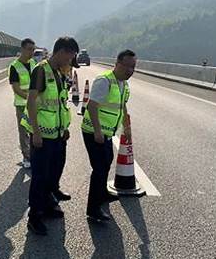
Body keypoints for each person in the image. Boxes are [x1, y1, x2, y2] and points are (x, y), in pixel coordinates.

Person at [20, 37, 79, 235]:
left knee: (55, 169)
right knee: (39, 176)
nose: (71, 60)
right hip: (43, 135)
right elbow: (31, 102)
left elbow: (61, 103)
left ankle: (48, 203)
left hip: (58, 133)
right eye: (70, 56)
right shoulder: (41, 70)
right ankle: (35, 216)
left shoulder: (60, 72)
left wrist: (65, 128)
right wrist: (35, 132)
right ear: (61, 52)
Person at [81, 49, 136, 221]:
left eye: (133, 67)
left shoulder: (123, 84)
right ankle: (93, 209)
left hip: (107, 133)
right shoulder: (105, 81)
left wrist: (126, 127)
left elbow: (122, 106)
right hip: (93, 132)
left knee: (106, 163)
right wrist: (97, 131)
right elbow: (92, 106)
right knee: (99, 169)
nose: (130, 71)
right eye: (127, 66)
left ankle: (102, 194)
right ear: (118, 64)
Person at [8, 38, 37, 168]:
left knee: (34, 129)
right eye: (29, 49)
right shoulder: (14, 67)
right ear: (22, 49)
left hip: (35, 104)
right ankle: (26, 156)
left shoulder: (33, 64)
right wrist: (30, 98)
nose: (31, 52)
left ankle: (34, 154)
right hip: (22, 104)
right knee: (24, 130)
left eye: (33, 50)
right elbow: (16, 89)